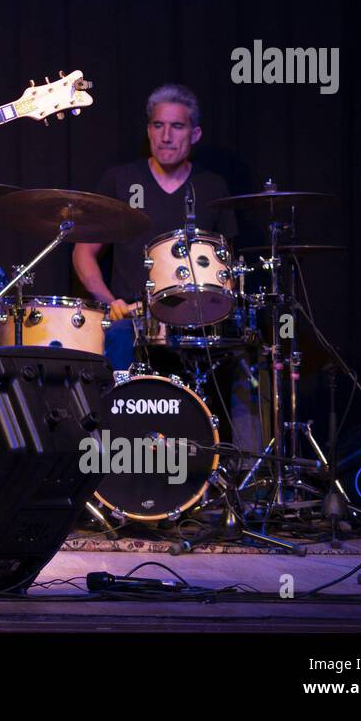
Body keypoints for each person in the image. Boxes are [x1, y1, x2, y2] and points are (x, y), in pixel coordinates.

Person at [72, 85, 262, 454]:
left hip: (201, 317)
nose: (166, 135)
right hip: (134, 315)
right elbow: (83, 253)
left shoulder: (212, 187)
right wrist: (108, 300)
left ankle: (240, 471)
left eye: (176, 126)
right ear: (148, 131)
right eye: (158, 125)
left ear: (195, 134)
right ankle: (117, 462)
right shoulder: (121, 180)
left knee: (246, 357)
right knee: (117, 338)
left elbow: (228, 263)